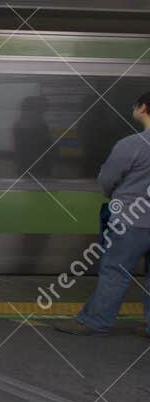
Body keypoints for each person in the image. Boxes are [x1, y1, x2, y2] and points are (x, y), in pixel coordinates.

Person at [54, 91, 150, 338]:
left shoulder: (131, 144)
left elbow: (107, 179)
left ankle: (95, 321)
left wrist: (114, 194)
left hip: (131, 221)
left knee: (115, 272)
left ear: (143, 108)